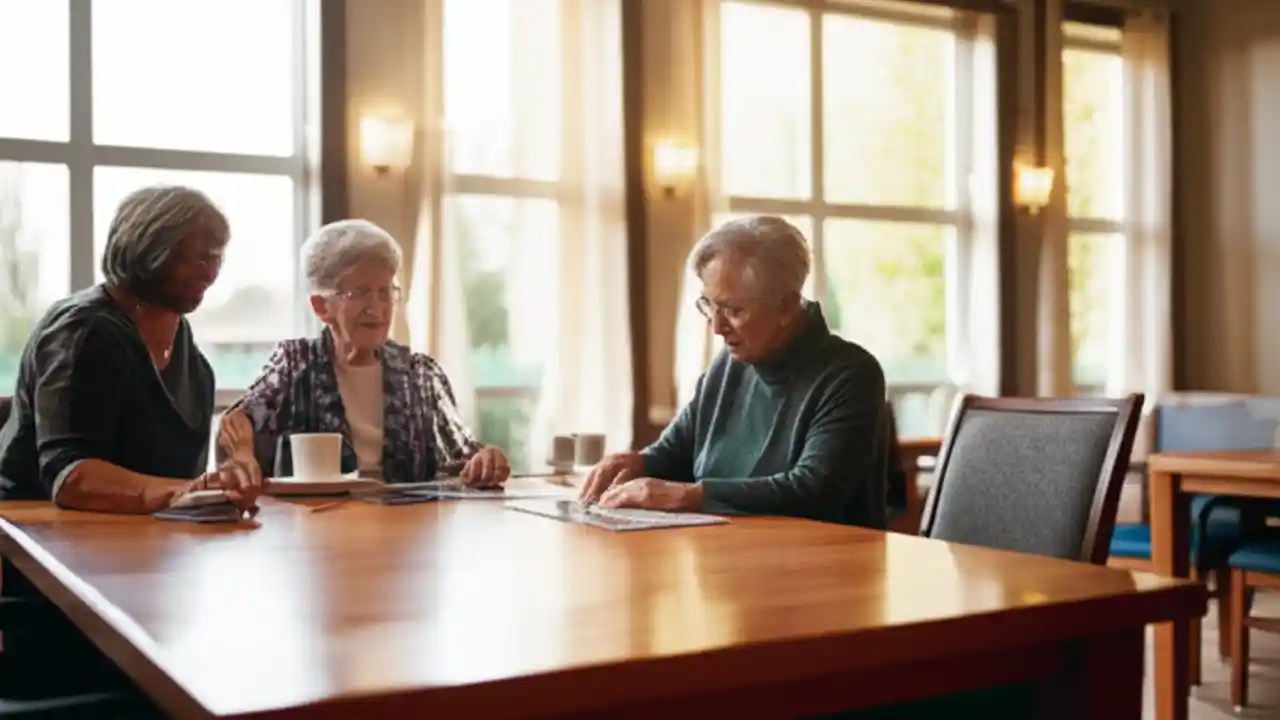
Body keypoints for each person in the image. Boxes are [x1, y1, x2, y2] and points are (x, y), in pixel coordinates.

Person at [580, 215, 887, 527]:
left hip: (824, 565)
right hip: (728, 556)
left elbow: (813, 490)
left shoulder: (850, 374)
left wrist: (690, 496)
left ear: (787, 308)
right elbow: (674, 455)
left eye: (734, 310)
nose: (717, 327)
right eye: (709, 306)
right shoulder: (728, 365)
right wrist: (636, 463)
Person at [0, 186, 262, 514]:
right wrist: (185, 492)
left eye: (213, 257)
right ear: (144, 250)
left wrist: (221, 480)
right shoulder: (84, 331)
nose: (207, 271)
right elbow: (72, 478)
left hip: (138, 541)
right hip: (32, 541)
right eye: (188, 256)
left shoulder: (187, 352)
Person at [234, 219, 509, 486]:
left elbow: (462, 451)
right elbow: (240, 418)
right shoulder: (295, 362)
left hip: (406, 523)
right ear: (321, 306)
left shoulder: (420, 373)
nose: (376, 308)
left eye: (385, 292)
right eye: (359, 293)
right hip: (314, 523)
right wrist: (242, 454)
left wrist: (484, 459)